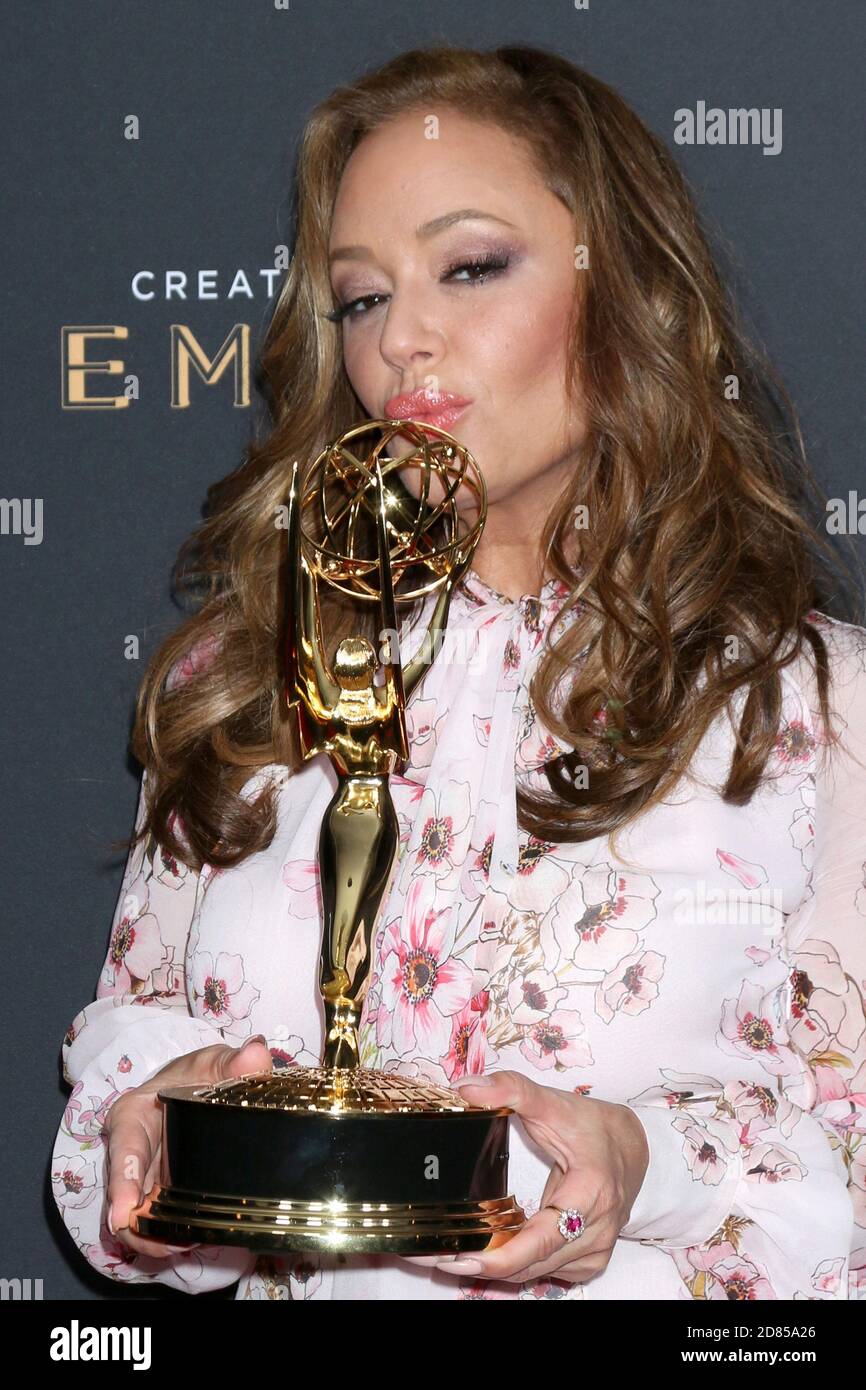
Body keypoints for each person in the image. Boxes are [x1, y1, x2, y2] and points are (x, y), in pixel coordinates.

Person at [51, 43, 865, 1301]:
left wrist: (649, 1159)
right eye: (361, 297)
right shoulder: (255, 674)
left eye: (470, 267)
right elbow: (128, 1060)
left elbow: (847, 1170)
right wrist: (149, 1125)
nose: (404, 341)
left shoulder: (811, 706)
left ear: (624, 287)